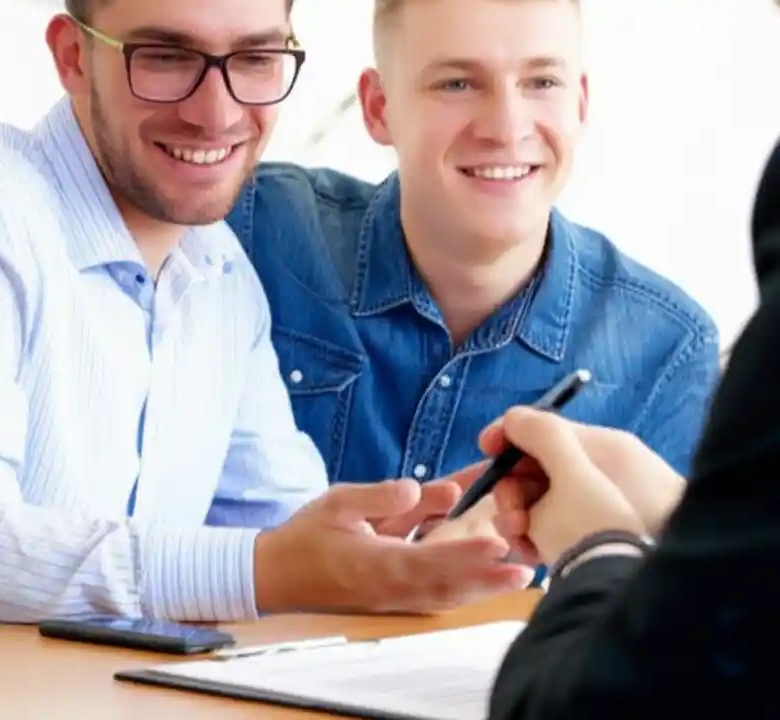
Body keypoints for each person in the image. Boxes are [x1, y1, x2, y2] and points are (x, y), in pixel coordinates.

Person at [0, 0, 533, 629]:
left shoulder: (223, 275)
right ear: (71, 58)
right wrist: (267, 569)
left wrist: (418, 538)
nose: (217, 113)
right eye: (166, 57)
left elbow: (287, 532)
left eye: (256, 59)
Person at [224, 0, 720, 525]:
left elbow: (672, 597)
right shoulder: (250, 233)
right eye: (457, 83)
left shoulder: (668, 350)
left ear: (580, 102)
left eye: (542, 83)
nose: (506, 128)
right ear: (378, 108)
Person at [471, 139, 780, 716]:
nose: (505, 126)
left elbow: (599, 702)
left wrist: (596, 549)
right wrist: (677, 511)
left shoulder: (669, 331)